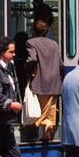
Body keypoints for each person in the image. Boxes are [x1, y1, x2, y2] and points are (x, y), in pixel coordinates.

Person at [25, 11, 61, 144]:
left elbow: (32, 59)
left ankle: (42, 127)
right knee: (51, 109)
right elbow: (60, 64)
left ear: (33, 31)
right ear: (46, 32)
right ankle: (49, 128)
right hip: (54, 84)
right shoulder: (54, 44)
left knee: (38, 111)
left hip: (40, 83)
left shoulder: (31, 43)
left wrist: (26, 70)